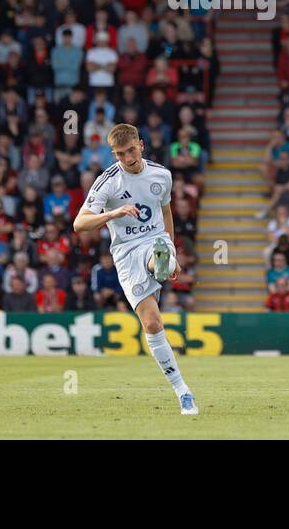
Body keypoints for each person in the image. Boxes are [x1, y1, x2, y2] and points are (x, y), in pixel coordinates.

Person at [73, 123, 197, 415]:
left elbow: (166, 211)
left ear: (141, 144)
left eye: (131, 150)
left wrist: (172, 246)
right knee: (152, 324)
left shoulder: (162, 174)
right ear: (113, 154)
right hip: (126, 253)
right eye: (120, 154)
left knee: (161, 254)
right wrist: (113, 213)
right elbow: (79, 224)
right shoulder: (107, 182)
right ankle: (183, 391)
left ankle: (163, 260)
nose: (127, 158)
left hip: (154, 239)